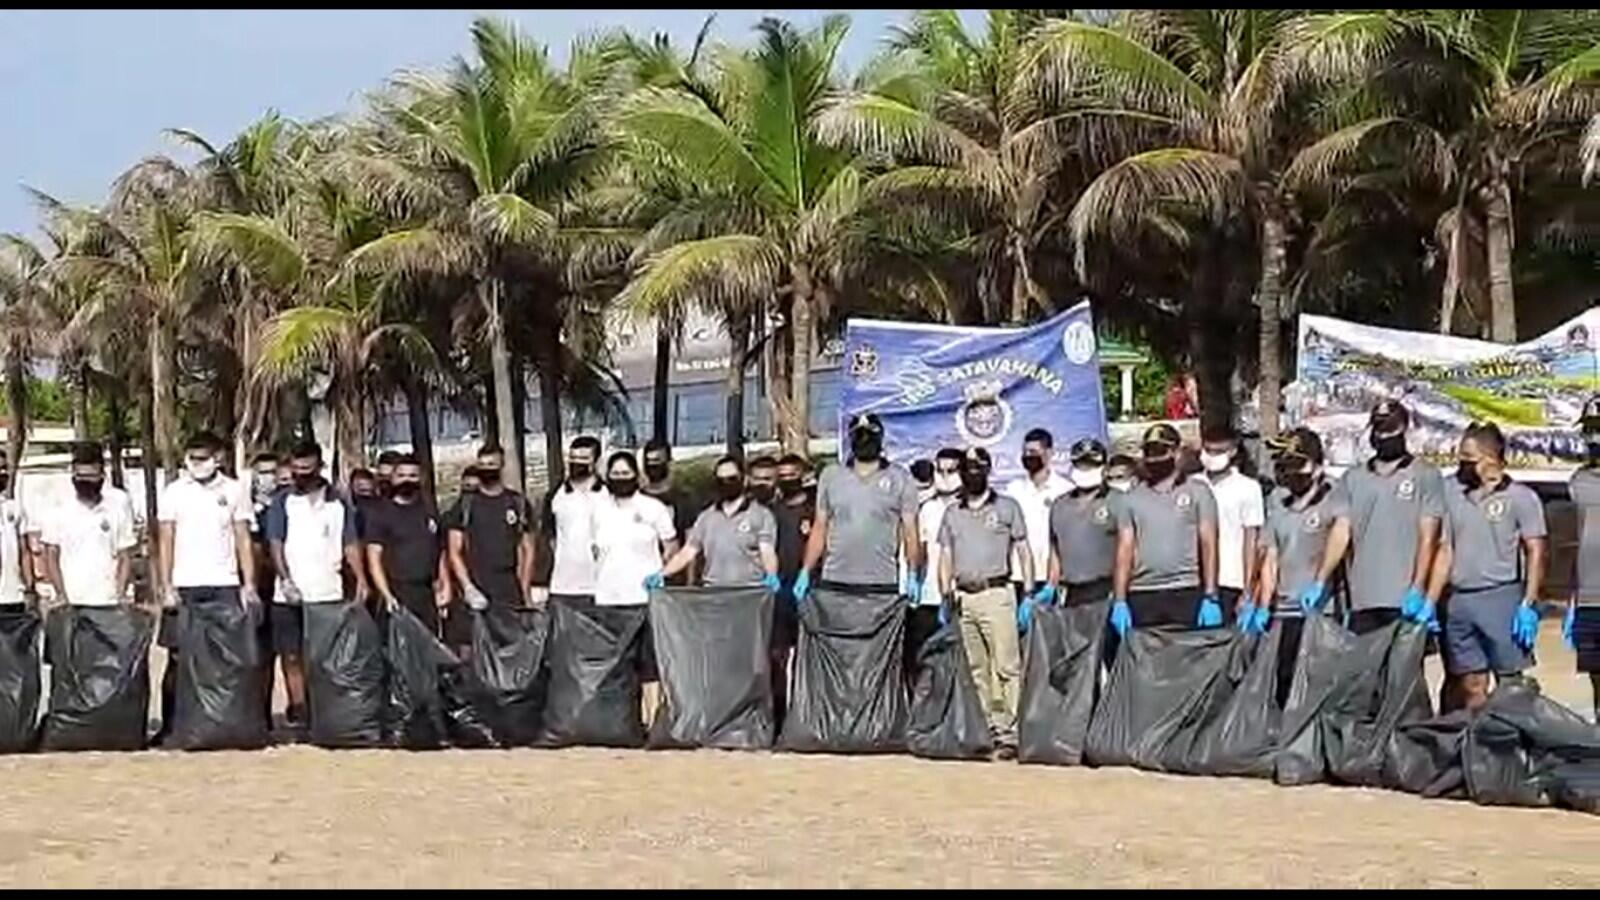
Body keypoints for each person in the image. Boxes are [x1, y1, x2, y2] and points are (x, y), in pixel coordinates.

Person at [1426, 422, 1547, 713]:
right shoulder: (1448, 491)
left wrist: (1528, 603)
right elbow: (1445, 548)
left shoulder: (1521, 497)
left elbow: (1536, 551)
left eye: (1469, 459)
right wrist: (1430, 600)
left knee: (1510, 685)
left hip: (1501, 597)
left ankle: (1512, 747)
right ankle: (1477, 748)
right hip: (1459, 601)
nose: (1462, 465)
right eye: (1460, 458)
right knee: (1470, 684)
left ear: (1491, 459)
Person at [155, 431, 258, 743]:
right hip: (186, 586)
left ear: (218, 458)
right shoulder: (175, 491)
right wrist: (166, 584)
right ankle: (172, 725)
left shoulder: (234, 490)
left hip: (224, 584)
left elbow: (242, 538)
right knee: (177, 658)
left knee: (227, 659)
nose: (196, 463)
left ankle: (225, 723)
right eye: (192, 457)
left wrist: (248, 583)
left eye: (203, 457)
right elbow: (165, 538)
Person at [938, 447, 1038, 759]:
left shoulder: (1007, 507)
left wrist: (1030, 593)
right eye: (967, 468)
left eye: (978, 468)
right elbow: (945, 555)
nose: (972, 473)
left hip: (997, 593)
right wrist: (944, 594)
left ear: (988, 470)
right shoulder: (953, 512)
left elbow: (1023, 550)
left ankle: (1011, 733)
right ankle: (985, 732)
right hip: (964, 596)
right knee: (976, 668)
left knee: (1007, 666)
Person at [1314, 401, 1446, 634]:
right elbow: (1341, 532)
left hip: (1404, 599)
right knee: (1363, 670)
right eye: (1380, 428)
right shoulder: (1353, 478)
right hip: (1363, 599)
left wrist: (1419, 588)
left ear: (1404, 428)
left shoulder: (1425, 474)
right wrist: (1320, 579)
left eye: (1391, 428)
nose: (1385, 435)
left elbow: (1430, 538)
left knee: (1402, 671)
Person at [265, 440, 369, 730]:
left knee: (322, 657)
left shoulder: (338, 502)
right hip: (289, 595)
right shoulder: (282, 502)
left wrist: (360, 578)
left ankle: (323, 711)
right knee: (291, 654)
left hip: (327, 592)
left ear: (318, 467)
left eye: (306, 470)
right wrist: (285, 579)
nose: (300, 475)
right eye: (296, 470)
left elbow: (350, 543)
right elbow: (276, 542)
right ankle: (298, 709)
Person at [1255, 428, 1347, 707]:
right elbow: (1271, 556)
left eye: (1296, 464)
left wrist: (1320, 582)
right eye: (1284, 464)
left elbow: (1341, 536)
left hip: (1320, 610)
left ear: (1316, 465)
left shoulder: (1334, 498)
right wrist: (1262, 603)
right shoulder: (1278, 503)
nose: (1290, 472)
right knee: (1283, 682)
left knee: (1317, 685)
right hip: (1285, 610)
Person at [1108, 423, 1221, 637]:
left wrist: (1210, 594)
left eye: (1161, 451)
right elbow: (1124, 551)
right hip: (1142, 593)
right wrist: (1120, 600)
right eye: (1149, 452)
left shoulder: (1198, 492)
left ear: (1177, 452)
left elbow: (1209, 543)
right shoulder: (1131, 499)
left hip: (1185, 589)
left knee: (1186, 663)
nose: (1155, 458)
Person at [800, 413, 922, 603]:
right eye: (859, 435)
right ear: (851, 439)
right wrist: (806, 570)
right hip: (835, 580)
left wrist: (914, 573)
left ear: (880, 438)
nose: (865, 440)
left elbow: (910, 532)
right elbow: (820, 527)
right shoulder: (831, 476)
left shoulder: (900, 478)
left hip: (881, 582)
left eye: (870, 435)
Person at [444, 444, 536, 654]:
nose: (487, 469)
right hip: (475, 586)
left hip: (507, 589)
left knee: (512, 649)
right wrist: (467, 587)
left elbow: (527, 550)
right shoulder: (465, 506)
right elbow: (453, 551)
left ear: (502, 465)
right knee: (469, 651)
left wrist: (524, 590)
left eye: (492, 464)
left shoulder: (518, 503)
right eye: (482, 464)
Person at [651, 455, 778, 590]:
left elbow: (767, 551)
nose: (726, 483)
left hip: (750, 591)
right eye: (721, 480)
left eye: (732, 478)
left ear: (744, 479)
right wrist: (662, 574)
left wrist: (771, 575)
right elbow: (688, 552)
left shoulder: (761, 515)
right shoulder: (706, 517)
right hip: (713, 591)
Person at [41, 442, 137, 611]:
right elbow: (51, 554)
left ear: (102, 474)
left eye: (91, 477)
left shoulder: (118, 502)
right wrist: (60, 593)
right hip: (71, 601)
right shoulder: (58, 504)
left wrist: (120, 592)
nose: (86, 483)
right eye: (81, 477)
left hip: (108, 600)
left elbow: (125, 554)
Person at [366, 454, 451, 635]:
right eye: (402, 475)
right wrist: (387, 596)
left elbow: (440, 552)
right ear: (393, 478)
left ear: (421, 479)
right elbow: (374, 559)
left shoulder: (429, 511)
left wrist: (445, 586)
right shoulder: (380, 513)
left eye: (413, 476)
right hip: (397, 592)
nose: (407, 480)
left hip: (426, 594)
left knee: (429, 652)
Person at [1041, 438, 1118, 616]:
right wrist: (1050, 585)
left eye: (1091, 465)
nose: (1086, 470)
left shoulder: (1118, 501)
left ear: (1104, 467)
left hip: (1105, 591)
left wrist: (1121, 596)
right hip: (1071, 594)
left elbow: (1129, 551)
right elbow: (1055, 551)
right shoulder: (1059, 505)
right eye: (1081, 465)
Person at [1197, 423, 1265, 626]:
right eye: (1208, 450)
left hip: (1231, 579)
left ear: (1233, 451)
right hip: (1195, 581)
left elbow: (1251, 541)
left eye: (1218, 451)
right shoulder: (1193, 484)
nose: (1212, 456)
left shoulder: (1248, 488)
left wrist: (1248, 591)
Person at [907, 448, 962, 674]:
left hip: (961, 597)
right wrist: (911, 577)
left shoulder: (970, 507)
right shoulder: (927, 508)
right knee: (925, 664)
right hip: (928, 598)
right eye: (940, 470)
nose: (945, 476)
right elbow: (918, 549)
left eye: (951, 470)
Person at [770, 453, 816, 722]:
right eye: (783, 476)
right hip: (778, 593)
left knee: (806, 656)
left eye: (792, 475)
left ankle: (804, 715)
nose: (787, 480)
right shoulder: (771, 512)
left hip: (808, 591)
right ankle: (779, 716)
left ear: (803, 475)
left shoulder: (813, 510)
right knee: (777, 656)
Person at [1565, 396, 1600, 721]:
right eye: (1589, 429)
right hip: (1590, 600)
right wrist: (1572, 600)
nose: (1593, 437)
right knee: (1596, 679)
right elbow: (1579, 540)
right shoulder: (1577, 482)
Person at [1005, 428, 1070, 604]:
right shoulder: (1013, 490)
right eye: (1025, 452)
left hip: (1051, 578)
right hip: (1017, 576)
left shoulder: (1064, 490)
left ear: (1048, 453)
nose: (1028, 456)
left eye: (1033, 452)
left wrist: (1053, 583)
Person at [545, 436, 606, 610]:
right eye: (573, 458)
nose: (577, 463)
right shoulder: (555, 496)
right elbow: (551, 538)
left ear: (596, 461)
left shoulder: (608, 495)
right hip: (563, 586)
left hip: (600, 586)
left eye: (583, 458)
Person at [247, 451, 285, 723]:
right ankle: (259, 714)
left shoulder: (286, 504)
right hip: (257, 588)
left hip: (283, 588)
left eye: (272, 472)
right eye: (262, 472)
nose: (267, 478)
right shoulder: (246, 508)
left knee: (289, 654)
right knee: (258, 656)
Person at [641, 438, 695, 574]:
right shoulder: (637, 497)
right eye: (649, 462)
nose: (652, 466)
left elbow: (691, 542)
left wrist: (691, 583)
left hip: (673, 574)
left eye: (657, 461)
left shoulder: (683, 499)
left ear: (669, 463)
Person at [0, 450, 38, 615]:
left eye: (4, 468)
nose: (3, 473)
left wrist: (29, 588)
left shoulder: (12, 508)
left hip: (13, 597)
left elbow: (24, 552)